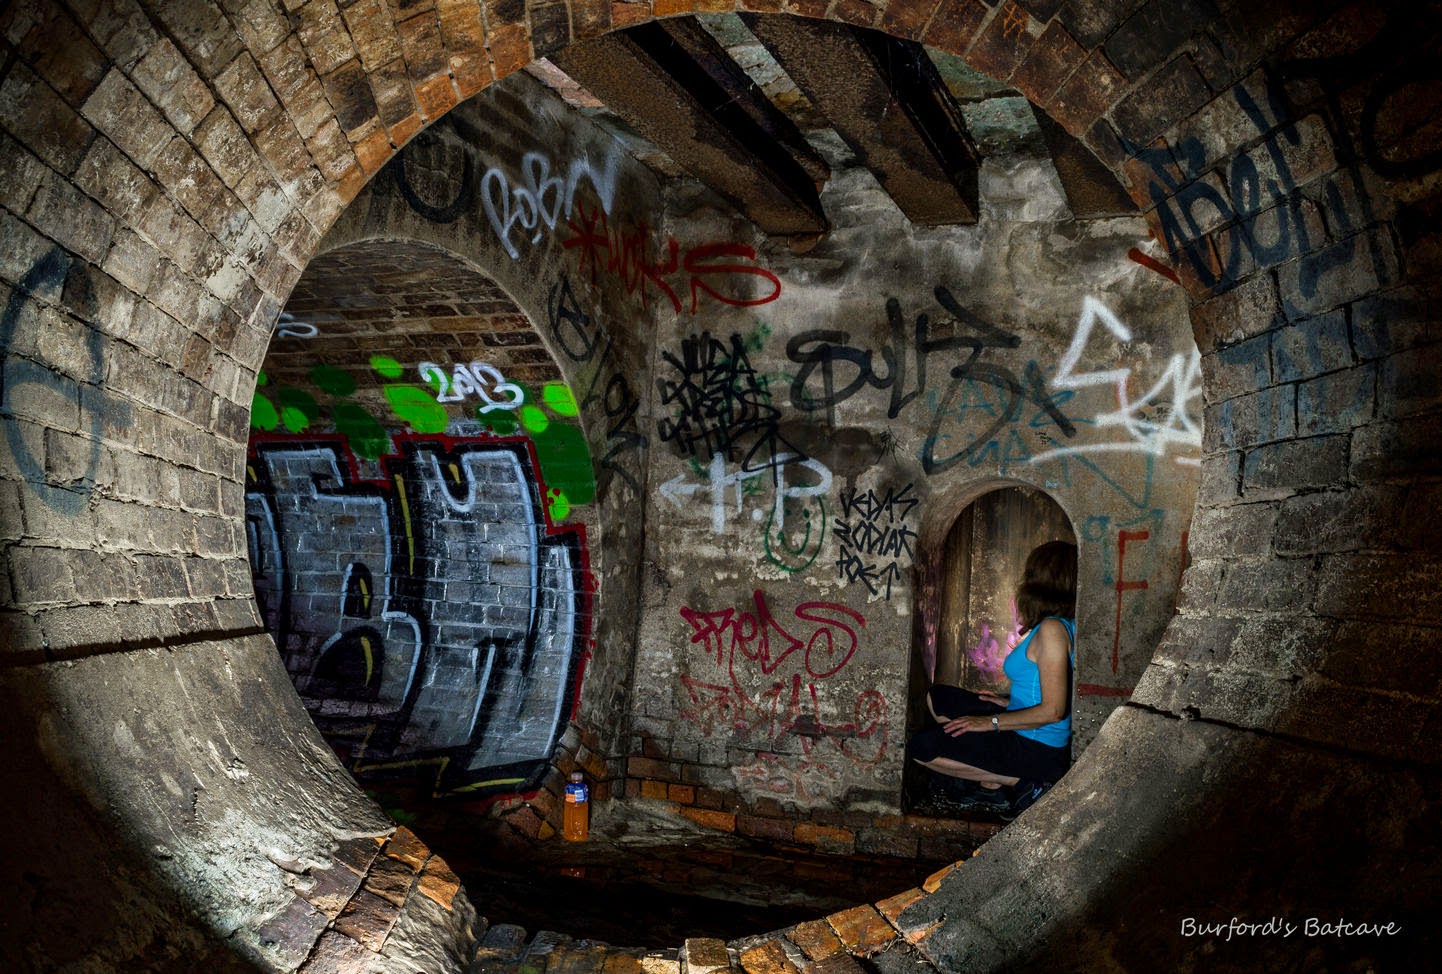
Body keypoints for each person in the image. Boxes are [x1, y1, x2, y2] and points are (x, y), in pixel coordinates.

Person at [910, 540, 1078, 820]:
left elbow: (1053, 710)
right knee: (939, 698)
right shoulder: (1055, 623)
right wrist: (1006, 702)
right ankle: (991, 784)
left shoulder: (1052, 630)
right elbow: (1044, 685)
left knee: (922, 748)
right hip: (1020, 721)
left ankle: (1028, 782)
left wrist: (988, 723)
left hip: (1038, 747)